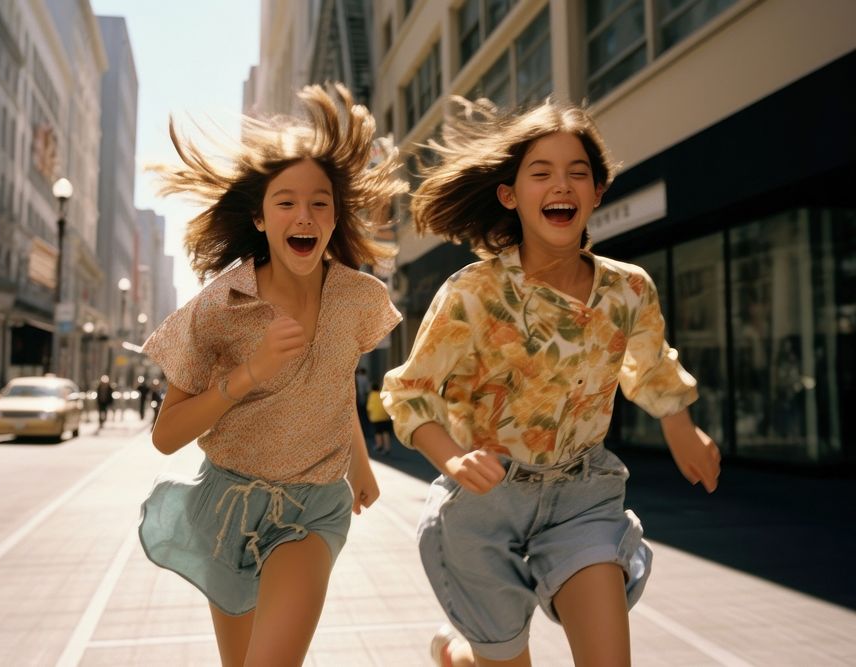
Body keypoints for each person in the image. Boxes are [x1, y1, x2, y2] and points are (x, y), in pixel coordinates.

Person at [381, 98, 722, 667]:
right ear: (511, 195)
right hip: (484, 507)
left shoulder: (628, 289)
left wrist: (680, 426)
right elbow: (410, 390)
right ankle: (462, 655)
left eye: (577, 173)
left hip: (582, 496)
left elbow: (651, 364)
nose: (560, 185)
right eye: (541, 172)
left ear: (596, 193)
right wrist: (451, 459)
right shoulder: (473, 293)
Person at [138, 83, 405, 666]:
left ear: (335, 217)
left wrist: (358, 465)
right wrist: (250, 373)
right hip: (226, 507)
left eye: (319, 203)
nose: (304, 216)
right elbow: (165, 437)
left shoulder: (358, 299)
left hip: (314, 509)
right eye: (286, 202)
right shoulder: (218, 307)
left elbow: (335, 386)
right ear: (260, 217)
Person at [365, 382, 391, 455]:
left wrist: (369, 416)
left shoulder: (371, 396)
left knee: (378, 432)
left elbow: (369, 408)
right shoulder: (382, 395)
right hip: (385, 417)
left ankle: (379, 445)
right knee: (385, 432)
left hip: (375, 417)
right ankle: (387, 448)